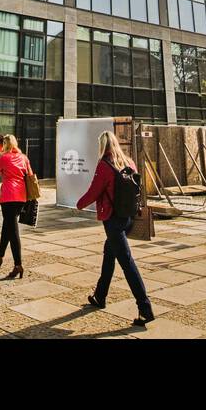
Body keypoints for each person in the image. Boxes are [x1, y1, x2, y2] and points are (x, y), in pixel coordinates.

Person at [76, 130, 154, 326]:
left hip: (113, 220)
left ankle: (145, 309)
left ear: (102, 146)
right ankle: (100, 296)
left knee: (127, 263)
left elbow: (94, 191)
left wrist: (79, 204)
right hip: (128, 218)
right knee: (109, 253)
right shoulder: (128, 162)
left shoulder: (104, 165)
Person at [0, 134, 32, 279]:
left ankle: (18, 264)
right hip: (21, 197)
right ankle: (0, 255)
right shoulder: (24, 158)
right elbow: (30, 175)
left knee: (13, 230)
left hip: (8, 197)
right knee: (8, 225)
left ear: (5, 144)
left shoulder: (4, 158)